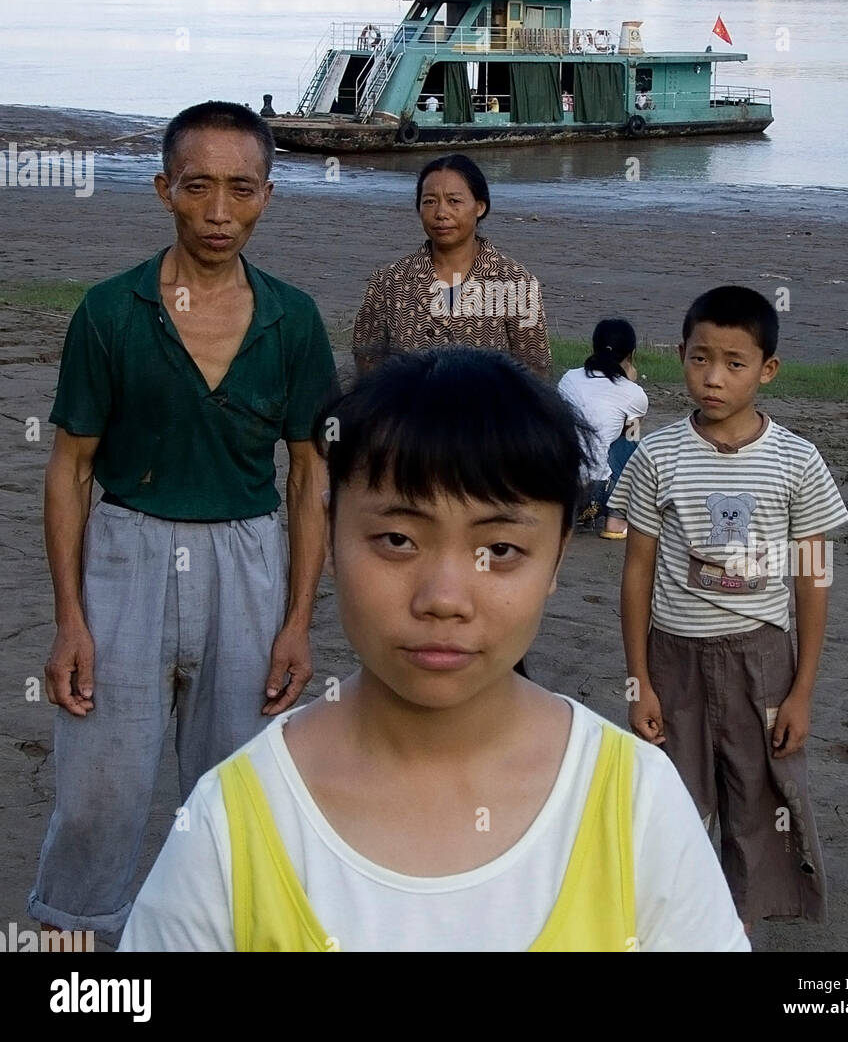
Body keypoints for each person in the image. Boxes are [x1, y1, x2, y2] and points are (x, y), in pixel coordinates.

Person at [118, 348, 749, 952]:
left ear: (557, 556)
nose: (445, 598)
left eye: (500, 551)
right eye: (397, 538)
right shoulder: (232, 821)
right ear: (331, 536)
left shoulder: (634, 804)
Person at [28, 101, 338, 946]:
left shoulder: (293, 320)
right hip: (126, 555)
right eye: (197, 187)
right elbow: (71, 466)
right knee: (98, 796)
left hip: (248, 559)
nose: (217, 211)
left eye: (241, 189)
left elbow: (311, 472)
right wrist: (69, 620)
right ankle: (75, 962)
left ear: (268, 196)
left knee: (237, 791)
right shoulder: (110, 312)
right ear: (165, 188)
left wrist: (299, 622)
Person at [609, 286, 848, 932]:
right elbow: (636, 574)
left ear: (767, 370)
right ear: (681, 355)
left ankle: (739, 931)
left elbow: (813, 579)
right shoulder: (658, 455)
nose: (713, 378)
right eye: (699, 358)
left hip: (761, 659)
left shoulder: (797, 461)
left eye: (734, 363)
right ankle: (674, 929)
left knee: (759, 803)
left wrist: (802, 691)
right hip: (674, 657)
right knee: (673, 805)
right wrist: (640, 682)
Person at [351, 154, 551, 378]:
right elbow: (367, 364)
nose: (441, 213)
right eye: (430, 201)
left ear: (480, 207)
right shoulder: (389, 281)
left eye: (454, 201)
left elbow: (534, 371)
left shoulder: (515, 282)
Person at [557, 318, 648, 540]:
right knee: (631, 439)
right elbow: (630, 434)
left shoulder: (568, 379)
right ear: (631, 354)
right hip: (596, 493)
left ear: (593, 348)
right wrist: (632, 384)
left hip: (559, 490)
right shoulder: (633, 393)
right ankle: (616, 519)